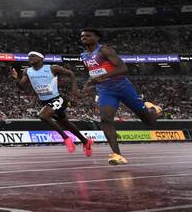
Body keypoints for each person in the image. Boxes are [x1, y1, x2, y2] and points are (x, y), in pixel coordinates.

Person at [79, 28, 162, 165]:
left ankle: (152, 108)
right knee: (105, 119)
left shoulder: (105, 50)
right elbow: (93, 73)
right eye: (82, 36)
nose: (84, 38)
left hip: (122, 87)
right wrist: (89, 84)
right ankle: (117, 154)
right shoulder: (83, 56)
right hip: (105, 90)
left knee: (150, 122)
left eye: (88, 36)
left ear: (97, 38)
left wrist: (102, 76)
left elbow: (123, 68)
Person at [10, 51, 91, 156]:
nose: (30, 57)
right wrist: (16, 79)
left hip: (58, 99)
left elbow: (71, 73)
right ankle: (86, 141)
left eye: (33, 56)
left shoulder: (53, 68)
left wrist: (74, 89)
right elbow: (22, 86)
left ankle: (66, 138)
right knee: (65, 123)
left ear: (41, 58)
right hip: (44, 101)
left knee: (43, 115)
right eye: (29, 56)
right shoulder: (27, 71)